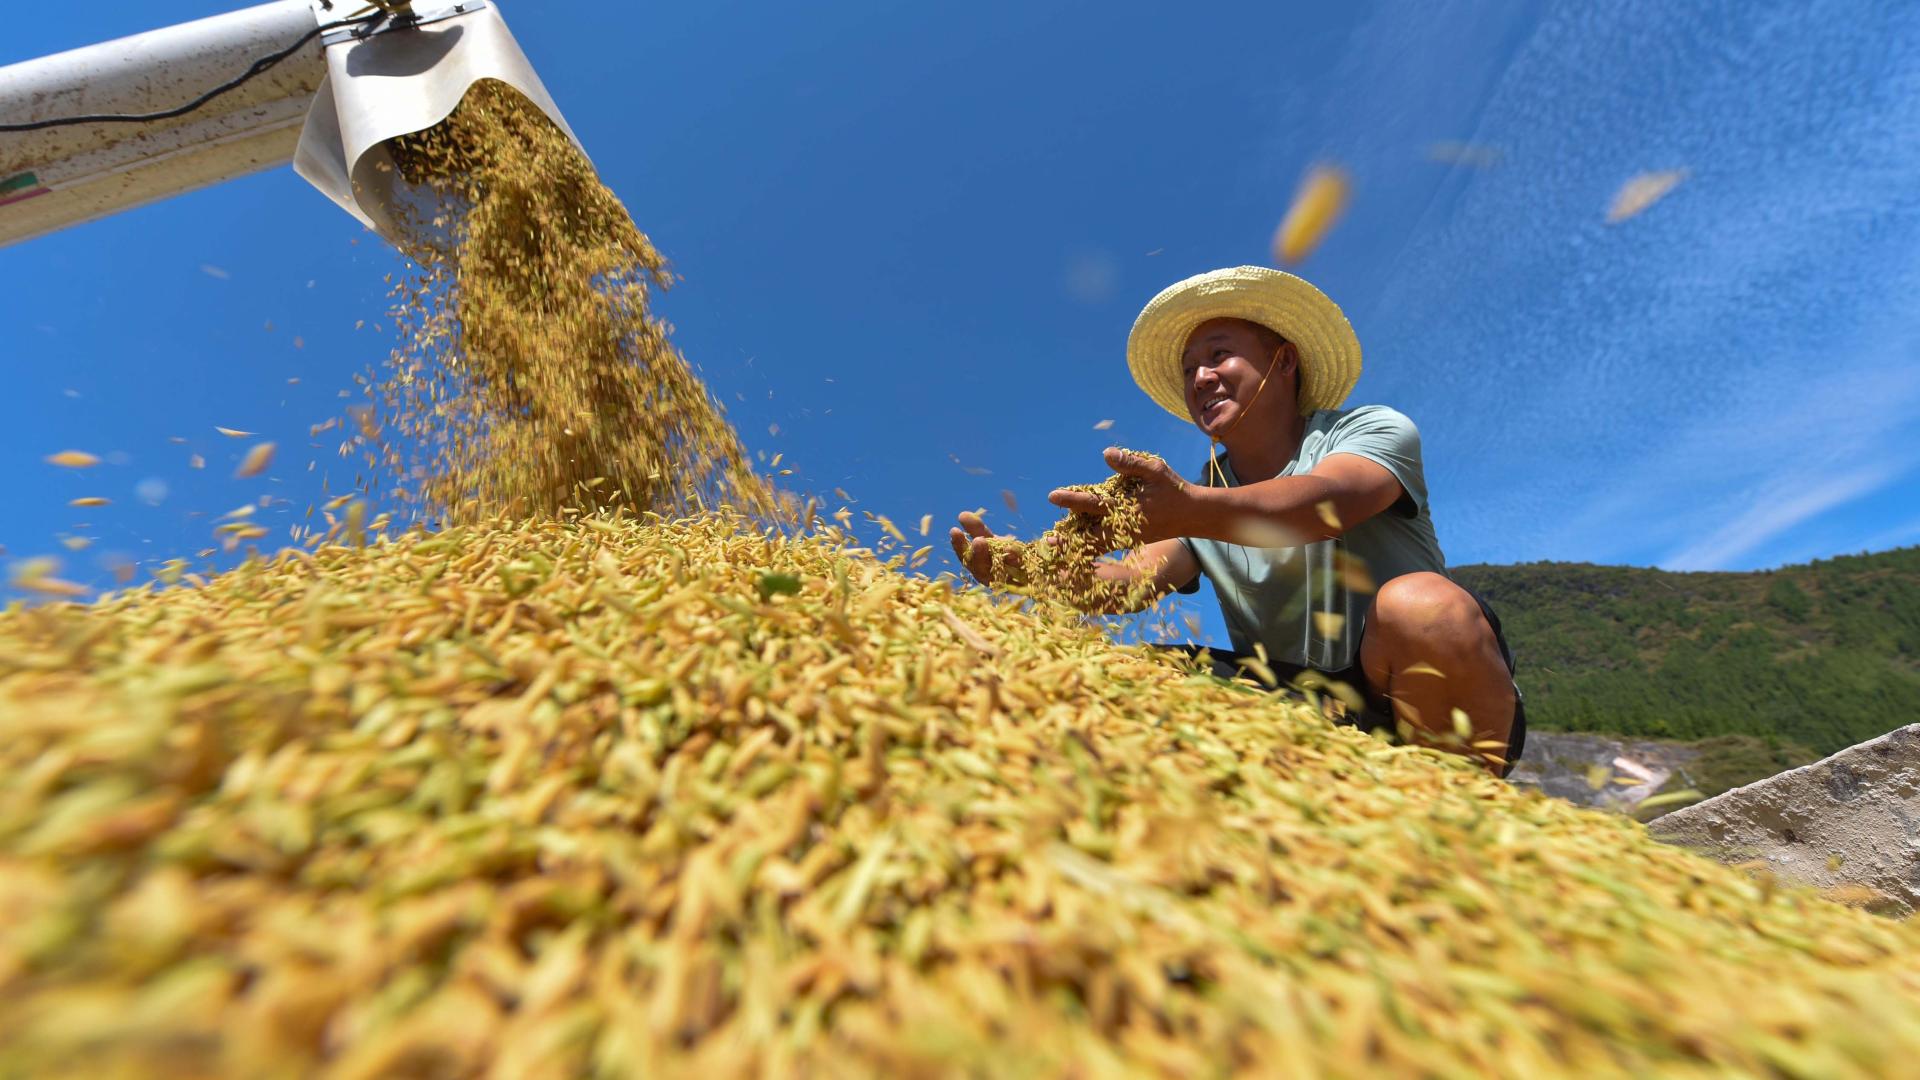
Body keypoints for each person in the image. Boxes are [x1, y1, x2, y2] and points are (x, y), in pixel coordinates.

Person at [950, 265, 1526, 776]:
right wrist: (1035, 572)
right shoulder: (1198, 494)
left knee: (1422, 606)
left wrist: (1190, 509)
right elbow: (1128, 583)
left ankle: (1465, 800)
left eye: (1218, 355)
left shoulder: (1368, 430)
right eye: (1189, 369)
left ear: (1284, 361)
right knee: (1128, 668)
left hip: (1414, 687)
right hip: (1302, 705)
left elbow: (1325, 504)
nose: (1200, 378)